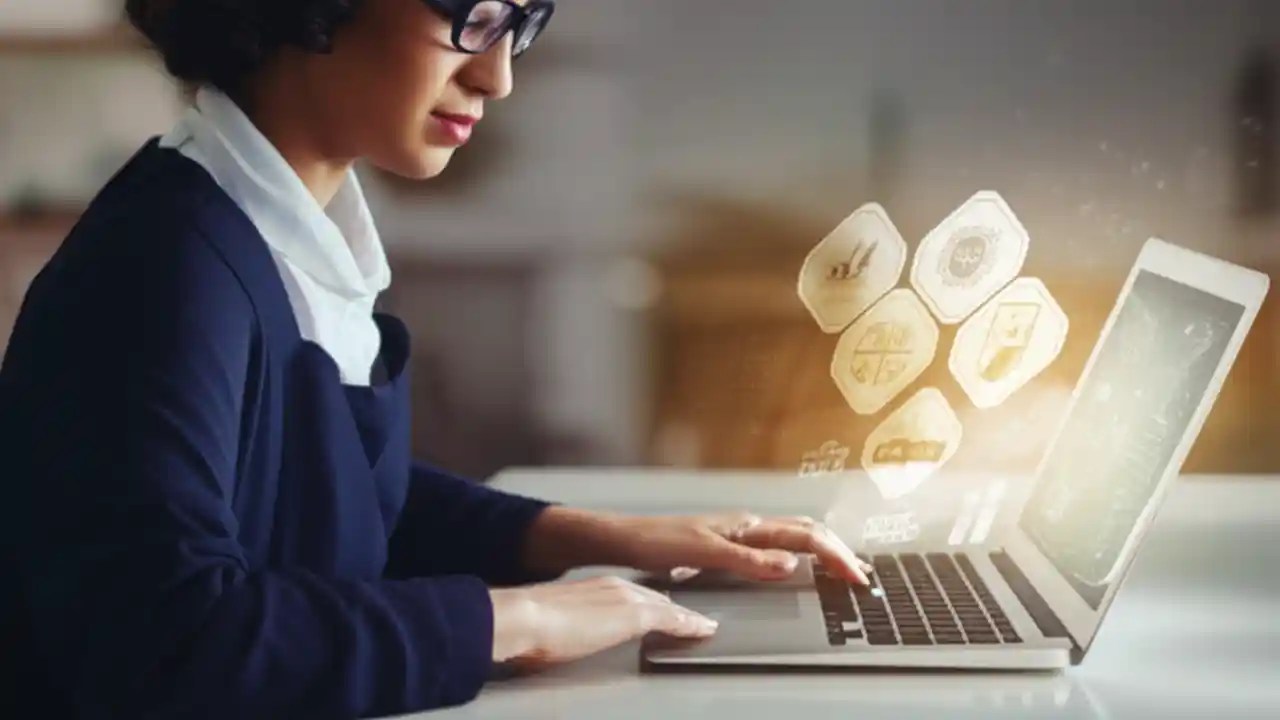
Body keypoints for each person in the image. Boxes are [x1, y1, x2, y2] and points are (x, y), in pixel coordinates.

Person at [0, 1, 872, 718]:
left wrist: (597, 536)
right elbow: (169, 640)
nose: (497, 76)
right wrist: (520, 618)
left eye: (520, 26)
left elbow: (318, 499)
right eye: (473, 19)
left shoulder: (265, 226)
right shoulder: (167, 269)